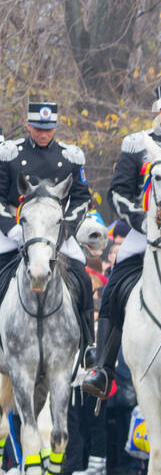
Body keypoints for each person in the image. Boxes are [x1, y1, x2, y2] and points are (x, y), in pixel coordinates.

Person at [85, 82, 161, 398]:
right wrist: (144, 222)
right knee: (115, 288)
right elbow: (118, 193)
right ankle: (103, 368)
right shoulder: (138, 144)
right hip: (146, 232)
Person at [0, 100, 99, 367]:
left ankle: (88, 344)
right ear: (28, 126)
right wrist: (12, 228)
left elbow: (81, 198)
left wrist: (65, 229)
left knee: (83, 278)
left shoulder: (70, 157)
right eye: (38, 129)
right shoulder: (9, 154)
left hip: (55, 231)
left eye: (48, 129)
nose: (43, 134)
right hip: (16, 230)